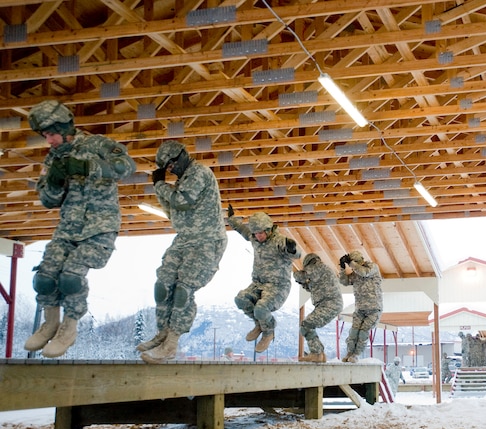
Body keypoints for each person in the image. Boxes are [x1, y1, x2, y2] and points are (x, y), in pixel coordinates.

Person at [24, 100, 137, 358]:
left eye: (51, 134)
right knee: (44, 277)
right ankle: (50, 323)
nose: (48, 141)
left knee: (70, 278)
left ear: (63, 128)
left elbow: (126, 167)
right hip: (67, 229)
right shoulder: (52, 158)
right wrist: (54, 179)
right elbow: (48, 200)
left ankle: (69, 328)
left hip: (99, 228)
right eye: (45, 136)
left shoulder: (97, 145)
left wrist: (87, 168)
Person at [137, 140, 227, 363]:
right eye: (167, 168)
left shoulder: (199, 173)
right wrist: (162, 189)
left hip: (207, 241)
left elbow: (182, 201)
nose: (171, 170)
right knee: (163, 285)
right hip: (185, 239)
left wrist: (159, 185)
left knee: (183, 290)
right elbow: (172, 211)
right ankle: (162, 333)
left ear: (183, 155)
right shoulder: (180, 182)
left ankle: (171, 344)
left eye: (172, 164)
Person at [225, 207, 300, 354]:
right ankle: (259, 324)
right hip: (258, 284)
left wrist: (292, 249)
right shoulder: (254, 238)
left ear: (268, 229)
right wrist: (232, 220)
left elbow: (296, 255)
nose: (258, 236)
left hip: (278, 286)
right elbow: (243, 231)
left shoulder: (279, 241)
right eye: (256, 233)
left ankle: (268, 332)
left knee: (261, 308)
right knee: (241, 299)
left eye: (260, 233)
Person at [293, 253, 343, 362]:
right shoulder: (321, 272)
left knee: (306, 325)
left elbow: (303, 275)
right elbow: (312, 288)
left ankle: (317, 353)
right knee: (306, 325)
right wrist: (302, 283)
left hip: (329, 304)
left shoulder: (318, 267)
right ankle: (318, 354)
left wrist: (296, 275)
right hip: (328, 304)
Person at [338, 251, 383, 362]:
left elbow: (364, 272)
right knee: (354, 332)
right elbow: (344, 281)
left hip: (373, 309)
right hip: (360, 309)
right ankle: (350, 352)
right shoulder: (355, 274)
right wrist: (342, 269)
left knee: (363, 333)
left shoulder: (372, 267)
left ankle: (356, 354)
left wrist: (352, 264)